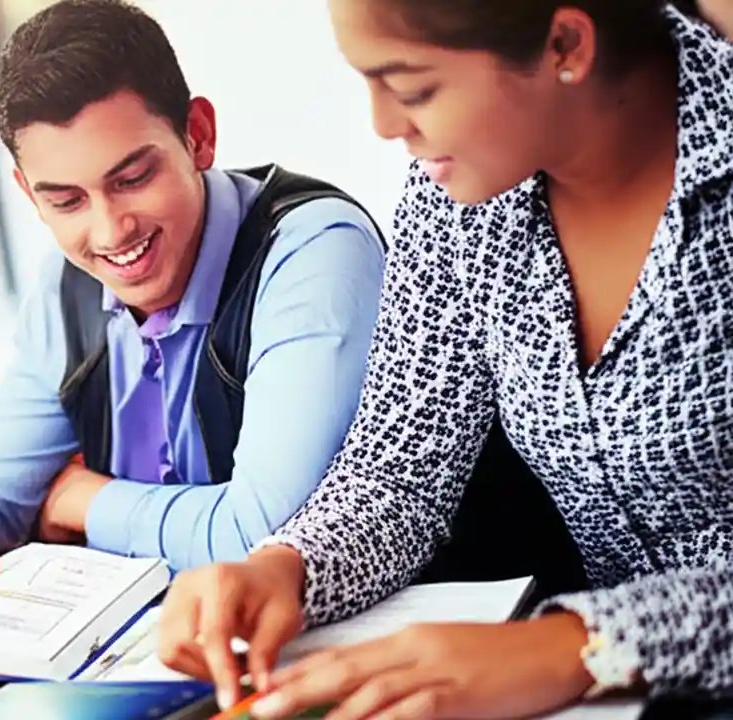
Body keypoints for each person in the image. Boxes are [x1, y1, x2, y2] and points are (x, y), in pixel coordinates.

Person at [157, 2, 733, 717]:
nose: (383, 123)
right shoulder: (457, 200)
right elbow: (398, 473)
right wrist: (286, 569)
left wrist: (579, 645)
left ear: (564, 44)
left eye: (414, 87)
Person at [0, 0, 386, 624]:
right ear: (29, 195)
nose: (110, 231)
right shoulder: (65, 286)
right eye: (67, 200)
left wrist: (83, 501)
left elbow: (269, 539)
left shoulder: (313, 249)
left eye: (131, 178)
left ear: (198, 136)